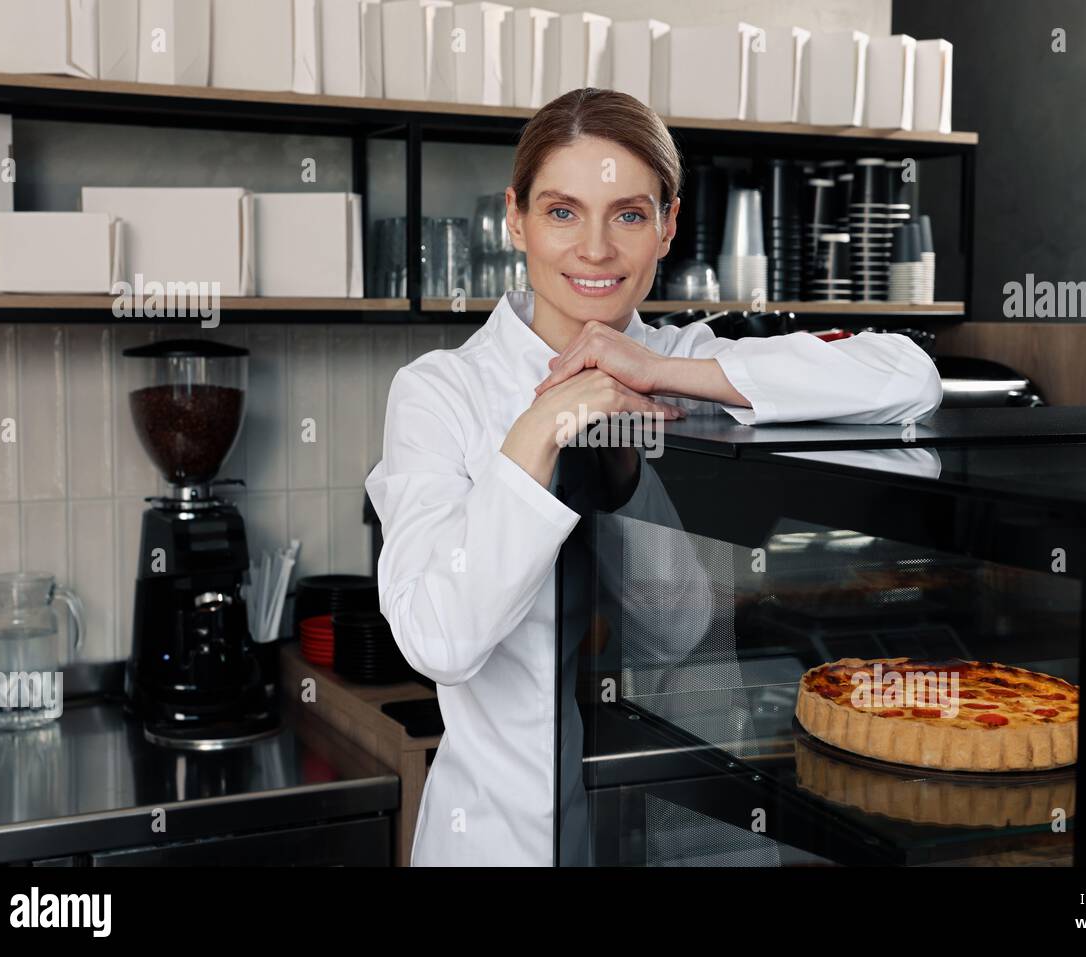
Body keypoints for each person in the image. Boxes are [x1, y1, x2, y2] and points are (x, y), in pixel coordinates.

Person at [364, 87, 943, 866]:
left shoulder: (691, 360)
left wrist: (666, 370)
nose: (595, 250)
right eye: (563, 211)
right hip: (508, 841)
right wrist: (541, 430)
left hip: (685, 834)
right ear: (516, 217)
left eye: (629, 214)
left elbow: (908, 375)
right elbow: (439, 640)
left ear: (668, 225)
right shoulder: (441, 391)